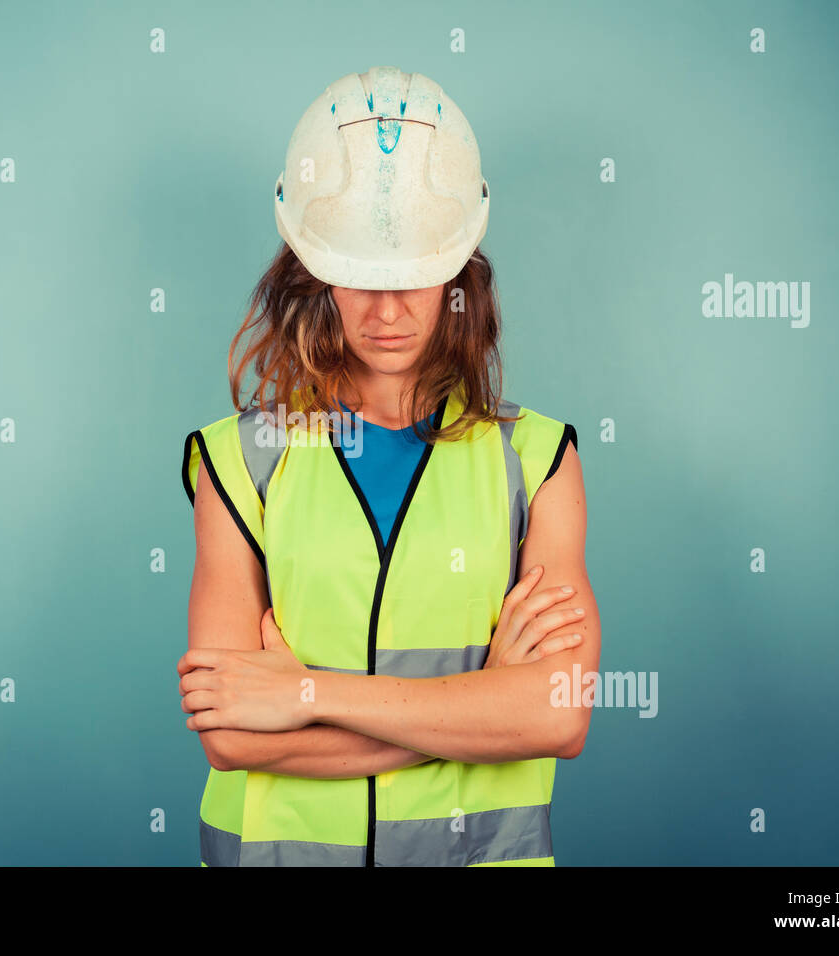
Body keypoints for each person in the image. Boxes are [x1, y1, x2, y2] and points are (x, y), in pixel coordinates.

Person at [177, 66, 600, 866]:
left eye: (414, 275)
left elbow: (558, 713)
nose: (388, 309)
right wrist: (479, 708)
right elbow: (231, 730)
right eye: (361, 276)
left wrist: (303, 695)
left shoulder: (537, 462)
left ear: (459, 272)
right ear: (313, 271)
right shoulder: (236, 465)